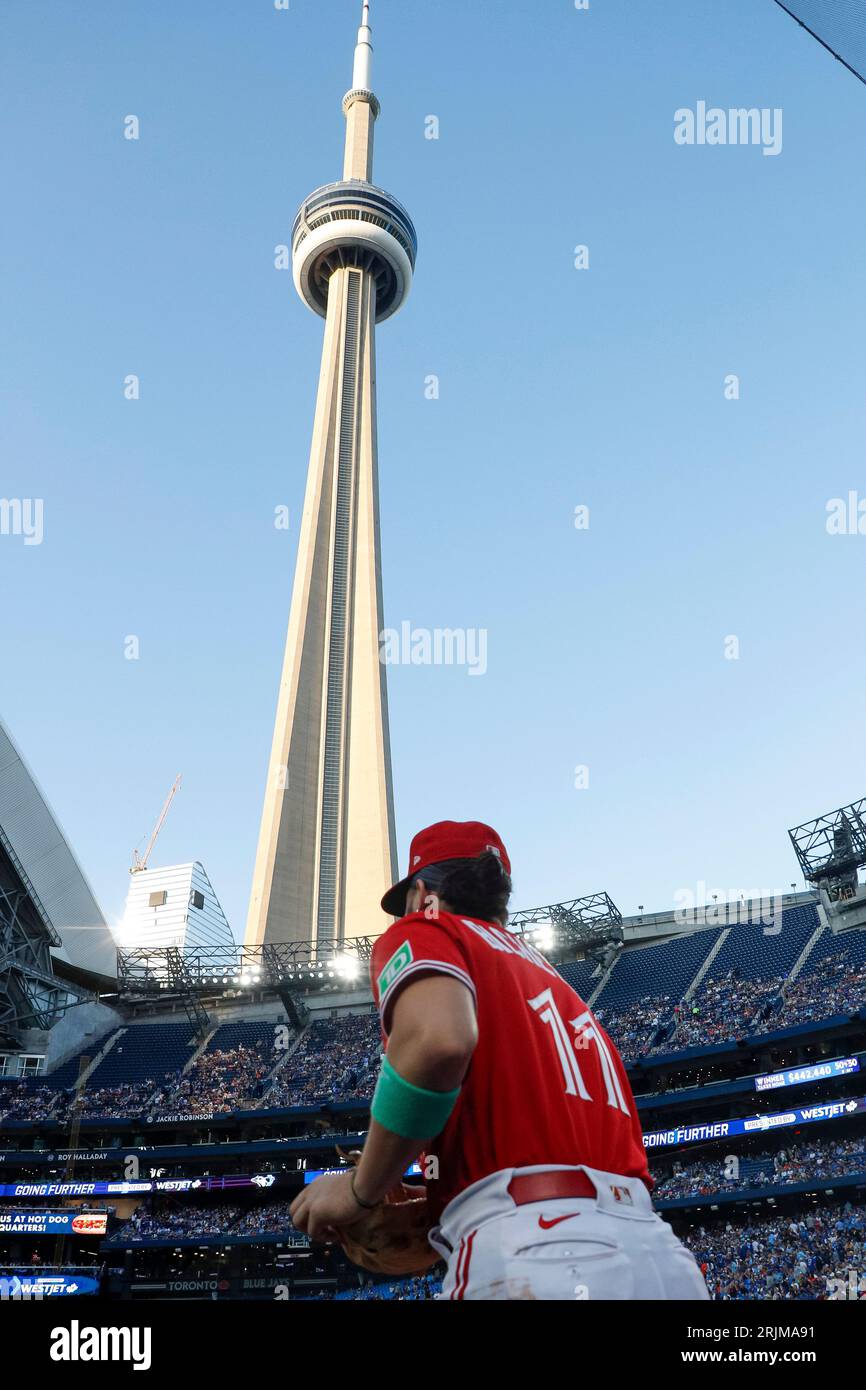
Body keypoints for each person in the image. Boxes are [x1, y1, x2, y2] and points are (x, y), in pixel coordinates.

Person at [290, 821, 709, 1301]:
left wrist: (361, 1190)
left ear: (422, 892)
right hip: (659, 1254)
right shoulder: (554, 979)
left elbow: (438, 1043)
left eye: (407, 900)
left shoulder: (426, 929)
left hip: (537, 1246)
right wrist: (445, 1192)